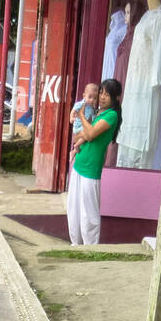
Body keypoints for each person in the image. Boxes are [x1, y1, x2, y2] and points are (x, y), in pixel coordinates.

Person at [67, 78, 122, 247]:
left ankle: (90, 248)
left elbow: (89, 135)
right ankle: (75, 245)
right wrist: (83, 132)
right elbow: (79, 135)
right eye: (101, 92)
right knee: (74, 209)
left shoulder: (111, 115)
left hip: (91, 168)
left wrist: (82, 116)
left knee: (89, 213)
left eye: (107, 94)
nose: (103, 97)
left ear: (116, 97)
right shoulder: (97, 112)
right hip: (78, 164)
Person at [69, 82, 98, 167]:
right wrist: (71, 118)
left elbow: (93, 116)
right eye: (90, 97)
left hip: (83, 126)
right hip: (78, 126)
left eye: (95, 98)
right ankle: (76, 146)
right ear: (84, 96)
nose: (92, 100)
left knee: (86, 137)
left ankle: (73, 151)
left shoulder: (92, 107)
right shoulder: (81, 104)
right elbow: (73, 111)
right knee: (87, 135)